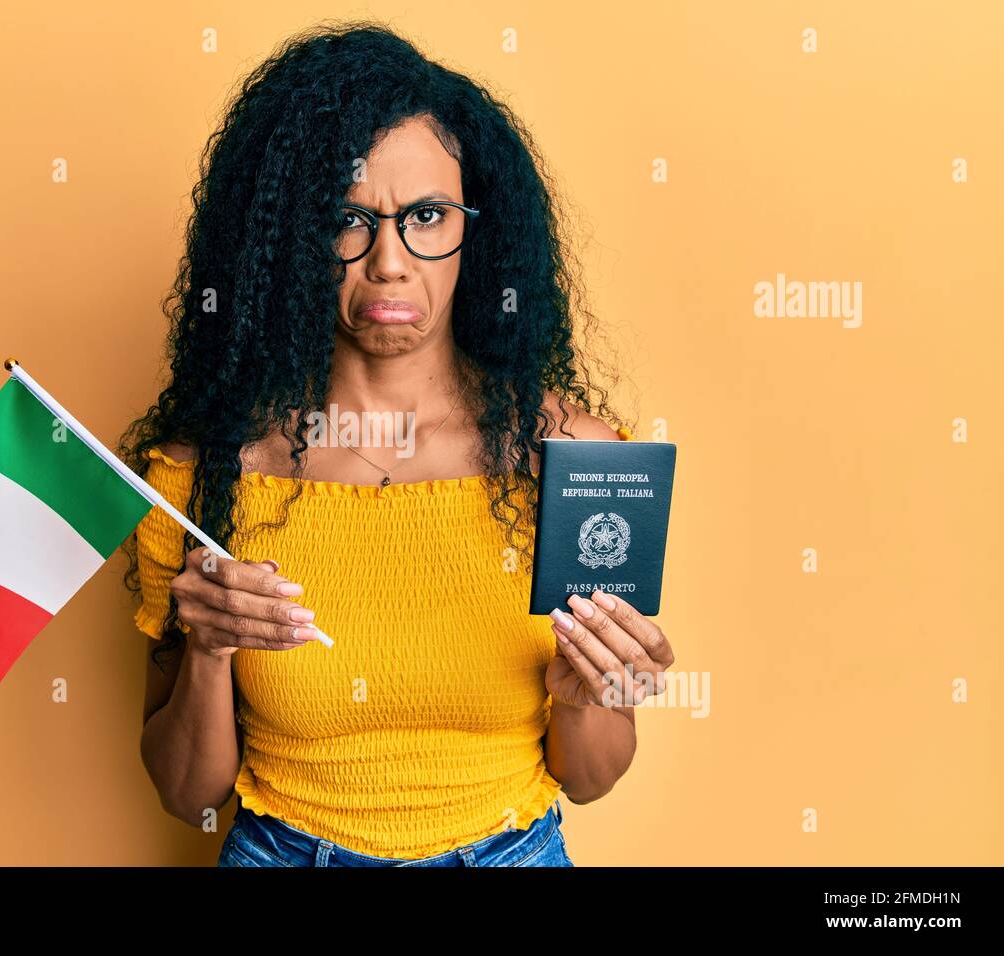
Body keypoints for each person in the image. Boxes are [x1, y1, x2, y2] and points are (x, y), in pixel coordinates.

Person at [120, 21, 675, 867]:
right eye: (347, 219)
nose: (390, 261)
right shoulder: (204, 476)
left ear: (477, 234)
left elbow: (592, 777)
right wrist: (207, 648)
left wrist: (588, 695)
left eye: (426, 216)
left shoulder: (581, 460)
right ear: (287, 242)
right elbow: (185, 793)